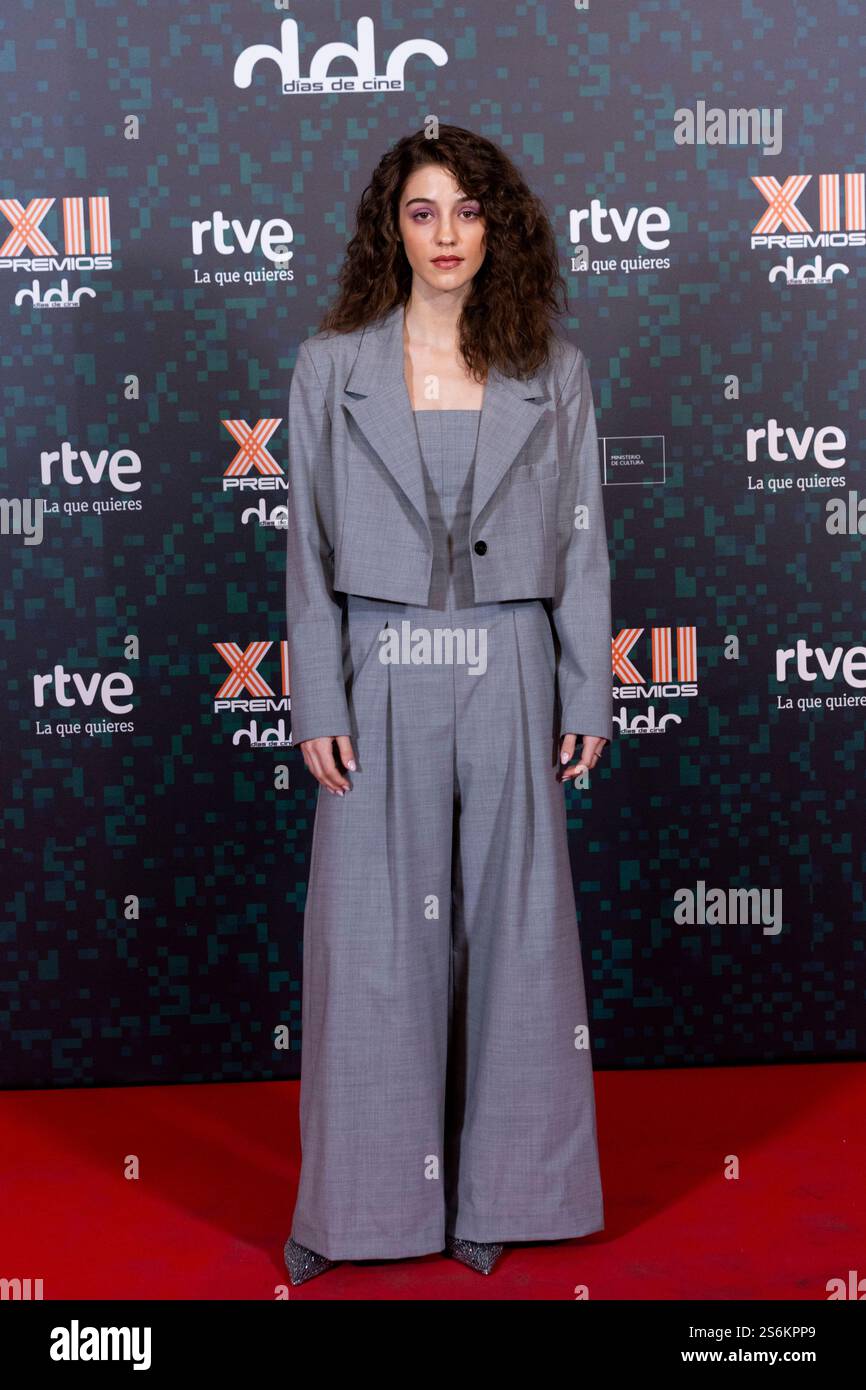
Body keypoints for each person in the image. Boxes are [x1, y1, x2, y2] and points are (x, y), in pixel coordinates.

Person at [283, 125, 612, 1285]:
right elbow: (307, 550)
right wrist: (315, 693)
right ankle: (359, 1208)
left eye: (467, 212)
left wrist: (586, 686)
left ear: (497, 226)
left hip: (513, 661)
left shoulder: (551, 368)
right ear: (392, 226)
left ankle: (503, 1196)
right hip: (378, 663)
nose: (446, 236)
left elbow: (581, 547)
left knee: (518, 933)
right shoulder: (330, 367)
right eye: (422, 213)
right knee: (369, 939)